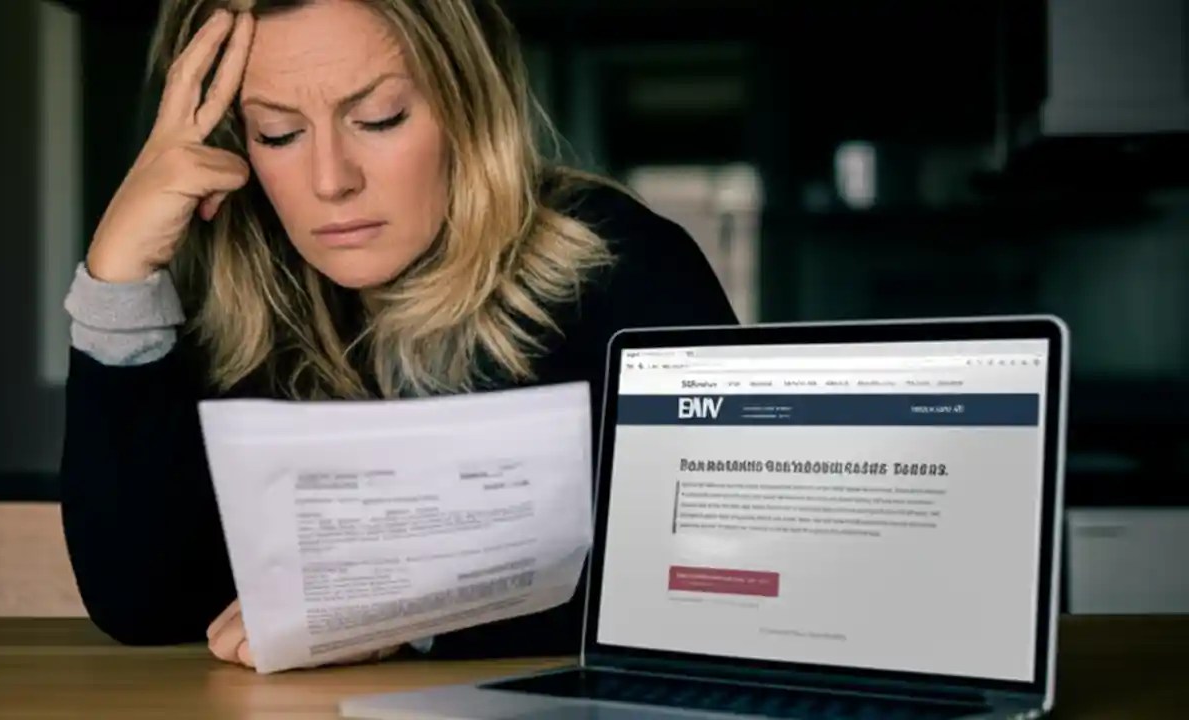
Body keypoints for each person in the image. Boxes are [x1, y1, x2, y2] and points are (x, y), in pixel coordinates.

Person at [58, 0, 738, 670]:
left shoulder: (625, 263)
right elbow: (146, 603)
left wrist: (412, 614)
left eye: (380, 118)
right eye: (278, 133)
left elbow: (726, 574)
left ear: (467, 104)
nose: (331, 181)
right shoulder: (235, 292)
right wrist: (119, 279)